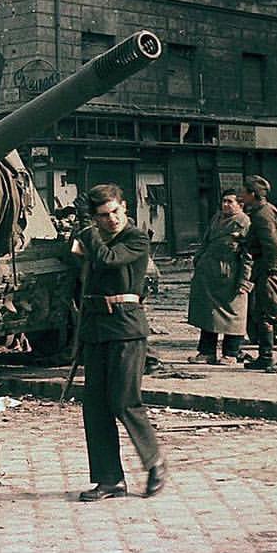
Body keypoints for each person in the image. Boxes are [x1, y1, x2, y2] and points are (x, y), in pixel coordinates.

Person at [71, 184, 165, 501]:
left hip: (126, 328)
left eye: (115, 212)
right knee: (95, 407)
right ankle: (110, 480)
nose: (111, 219)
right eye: (103, 216)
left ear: (124, 207)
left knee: (124, 401)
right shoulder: (94, 239)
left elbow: (109, 260)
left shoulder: (135, 238)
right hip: (97, 329)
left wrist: (87, 231)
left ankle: (154, 462)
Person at [186, 190, 252, 365]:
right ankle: (207, 352)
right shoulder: (217, 218)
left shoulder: (244, 222)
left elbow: (248, 255)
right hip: (209, 273)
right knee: (208, 315)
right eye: (223, 201)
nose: (225, 205)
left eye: (230, 202)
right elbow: (206, 242)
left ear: (240, 205)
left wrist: (245, 281)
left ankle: (231, 353)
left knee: (233, 315)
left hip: (231, 274)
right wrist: (198, 260)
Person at [240, 175, 277, 373]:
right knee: (262, 314)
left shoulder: (263, 214)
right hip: (265, 267)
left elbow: (272, 244)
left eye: (244, 192)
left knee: (276, 313)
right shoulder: (262, 211)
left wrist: (270, 269)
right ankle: (265, 356)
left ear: (253, 194)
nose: (241, 196)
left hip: (271, 269)